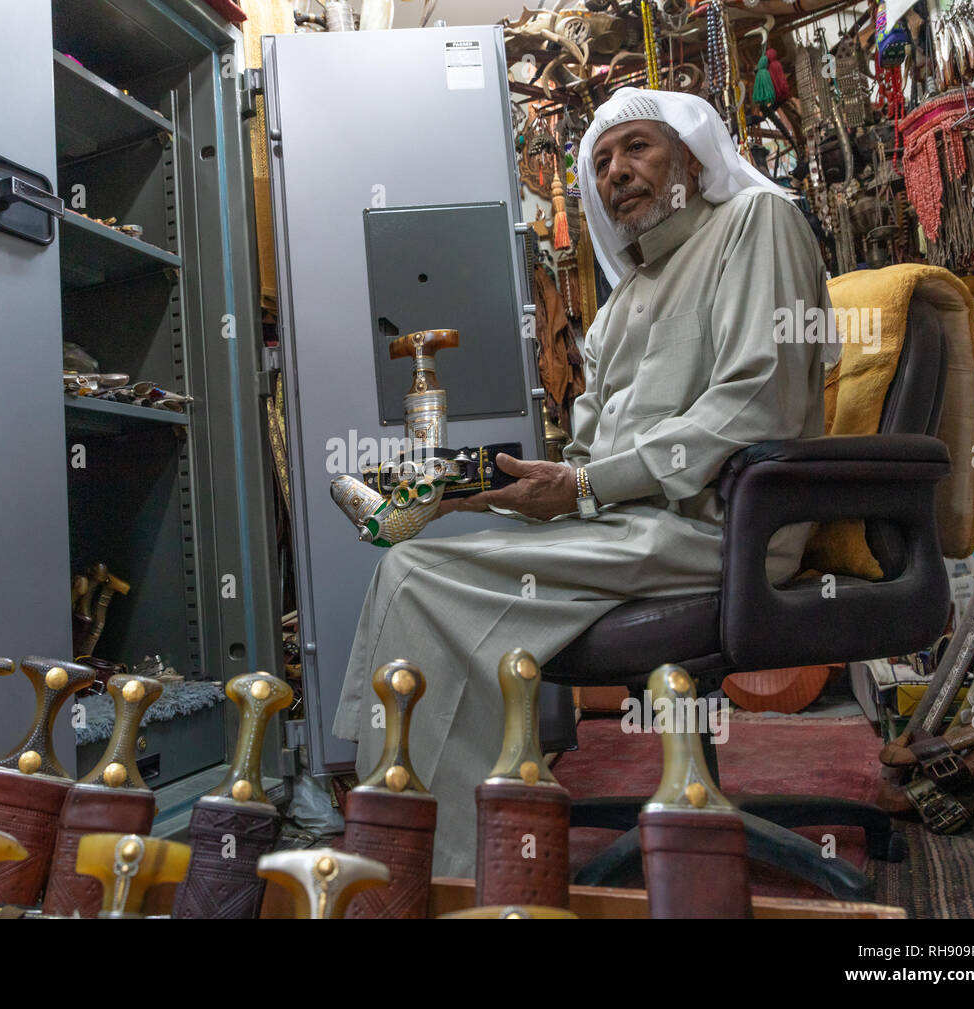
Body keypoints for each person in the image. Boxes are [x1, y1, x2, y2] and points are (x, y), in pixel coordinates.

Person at [331, 88, 836, 878]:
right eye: (600, 162)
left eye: (636, 148)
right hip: (627, 528)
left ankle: (432, 867)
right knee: (418, 557)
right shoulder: (619, 304)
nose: (616, 172)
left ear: (694, 161)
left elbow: (753, 404)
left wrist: (586, 488)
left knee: (418, 579)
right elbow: (588, 459)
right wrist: (492, 493)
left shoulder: (754, 223)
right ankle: (434, 832)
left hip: (726, 527)